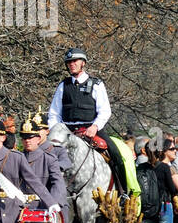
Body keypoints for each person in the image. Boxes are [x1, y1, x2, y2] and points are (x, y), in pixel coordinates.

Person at [46, 47, 135, 196]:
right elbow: (54, 113)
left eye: (75, 61)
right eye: (69, 62)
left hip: (91, 129)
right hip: (67, 132)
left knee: (116, 154)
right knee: (45, 155)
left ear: (83, 63)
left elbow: (105, 110)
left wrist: (95, 126)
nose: (71, 64)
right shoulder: (63, 86)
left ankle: (123, 192)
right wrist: (56, 131)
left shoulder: (96, 84)